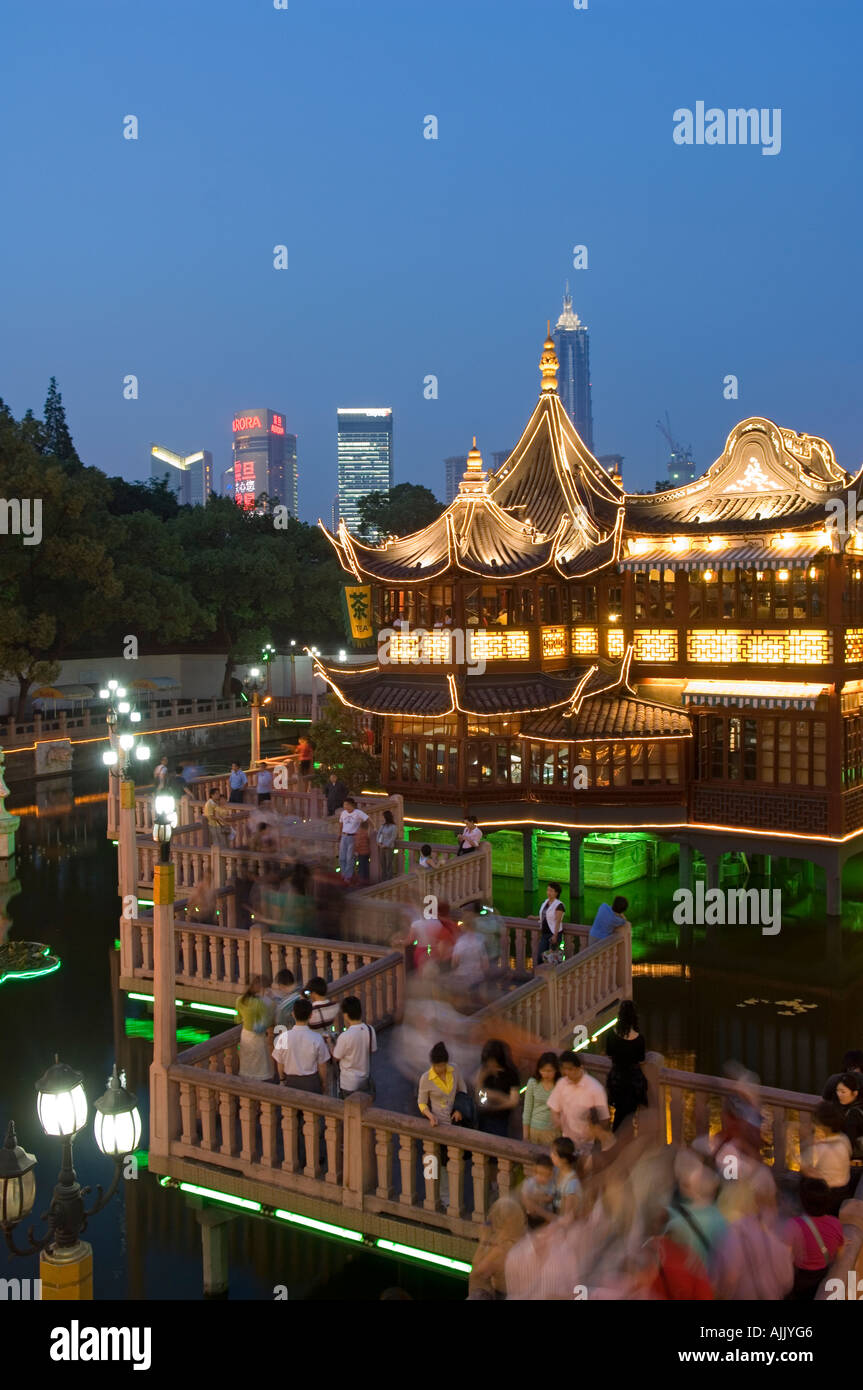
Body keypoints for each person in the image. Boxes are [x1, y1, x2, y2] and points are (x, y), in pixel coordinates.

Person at [784, 1176, 845, 1301]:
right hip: (823, 1273)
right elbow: (840, 1251)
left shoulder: (793, 1224)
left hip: (800, 1278)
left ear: (803, 1201)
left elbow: (786, 1257)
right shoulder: (836, 1223)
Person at [547, 1052, 610, 1155]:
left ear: (580, 1067)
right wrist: (557, 1120)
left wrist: (593, 1132)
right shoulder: (562, 1084)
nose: (567, 1072)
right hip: (566, 1141)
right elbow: (554, 1107)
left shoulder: (595, 1088)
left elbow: (604, 1119)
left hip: (588, 1144)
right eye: (564, 1069)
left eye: (570, 1069)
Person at [467, 1198, 527, 1300]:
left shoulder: (501, 1250)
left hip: (505, 1295)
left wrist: (483, 1241)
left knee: (478, 1291)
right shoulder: (529, 1239)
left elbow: (475, 1274)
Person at [605, 1000, 648, 1132]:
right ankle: (623, 1141)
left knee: (619, 1112)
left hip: (617, 1080)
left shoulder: (611, 1035)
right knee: (629, 1115)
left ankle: (618, 1140)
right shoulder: (639, 1039)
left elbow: (609, 1055)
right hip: (632, 1083)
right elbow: (641, 1061)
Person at [801, 1102, 852, 1212]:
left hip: (825, 1193)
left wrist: (805, 1143)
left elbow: (804, 1169)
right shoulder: (844, 1139)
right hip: (843, 1190)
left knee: (803, 1180)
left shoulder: (818, 1148)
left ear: (823, 1127)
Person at [272, 996, 331, 1091]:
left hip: (290, 1081)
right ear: (311, 1015)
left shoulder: (283, 1037)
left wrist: (282, 1079)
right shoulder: (317, 1038)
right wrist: (324, 1083)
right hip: (311, 1082)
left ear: (293, 1014)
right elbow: (322, 1065)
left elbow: (279, 1062)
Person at [332, 996, 377, 1098]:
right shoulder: (370, 1030)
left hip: (348, 1084)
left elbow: (336, 1057)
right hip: (365, 1080)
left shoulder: (345, 1036)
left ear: (346, 1015)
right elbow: (372, 1050)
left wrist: (331, 1045)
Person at [476, 1039, 521, 1139]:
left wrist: (497, 1098)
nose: (490, 1065)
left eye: (493, 1061)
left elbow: (513, 1101)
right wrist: (480, 1081)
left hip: (501, 1120)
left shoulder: (511, 1074)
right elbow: (481, 1099)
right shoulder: (484, 1072)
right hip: (484, 1118)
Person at [418, 1042, 468, 1125]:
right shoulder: (426, 1078)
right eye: (438, 1066)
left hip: (456, 1120)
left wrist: (459, 1109)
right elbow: (422, 1103)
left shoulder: (454, 1069)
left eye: (443, 1065)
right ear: (432, 1064)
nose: (441, 1068)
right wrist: (430, 1116)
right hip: (439, 1121)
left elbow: (463, 1089)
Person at [236, 976, 275, 1080]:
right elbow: (266, 1022)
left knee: (247, 1062)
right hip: (257, 1037)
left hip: (245, 1035)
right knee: (259, 1065)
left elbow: (237, 1019)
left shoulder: (239, 1000)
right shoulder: (260, 1003)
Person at [522, 1052, 562, 1145]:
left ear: (556, 1070)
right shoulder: (533, 1083)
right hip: (534, 1129)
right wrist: (525, 1135)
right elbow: (527, 1110)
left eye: (549, 1071)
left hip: (553, 1131)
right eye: (543, 1070)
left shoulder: (560, 1084)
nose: (546, 1074)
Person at [450, 911, 490, 994]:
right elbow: (486, 964)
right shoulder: (480, 939)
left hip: (463, 976)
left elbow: (454, 963)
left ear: (464, 926)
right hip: (478, 976)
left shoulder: (461, 942)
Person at [518, 1155, 557, 1226]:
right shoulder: (529, 1183)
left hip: (547, 1216)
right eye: (540, 1174)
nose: (543, 1178)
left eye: (546, 1175)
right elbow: (524, 1199)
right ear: (534, 1172)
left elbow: (549, 1198)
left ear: (551, 1174)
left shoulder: (551, 1184)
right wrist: (541, 1197)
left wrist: (531, 1197)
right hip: (532, 1216)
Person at [338, 797, 368, 885]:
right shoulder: (343, 813)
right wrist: (339, 834)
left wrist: (373, 828)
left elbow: (368, 819)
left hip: (353, 837)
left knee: (349, 858)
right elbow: (341, 823)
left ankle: (348, 876)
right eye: (344, 804)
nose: (345, 806)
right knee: (342, 857)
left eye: (346, 804)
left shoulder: (358, 813)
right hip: (344, 836)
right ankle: (343, 874)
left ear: (351, 805)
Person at [550, 1137, 582, 1217]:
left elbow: (566, 1218)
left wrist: (539, 1211)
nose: (551, 1155)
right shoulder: (556, 1170)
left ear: (564, 1159)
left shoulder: (572, 1184)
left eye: (554, 1154)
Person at [833, 1073, 863, 1157]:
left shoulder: (853, 1114)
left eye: (843, 1092)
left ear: (855, 1093)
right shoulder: (857, 1107)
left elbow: (849, 1143)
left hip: (855, 1162)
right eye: (837, 1091)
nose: (839, 1094)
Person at [537, 881, 565, 961]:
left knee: (552, 958)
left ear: (556, 893)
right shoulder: (546, 902)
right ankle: (541, 973)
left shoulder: (559, 905)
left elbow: (558, 921)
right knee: (540, 956)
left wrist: (555, 935)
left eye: (551, 891)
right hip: (545, 934)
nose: (548, 893)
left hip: (553, 934)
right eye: (548, 890)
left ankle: (554, 973)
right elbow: (545, 915)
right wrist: (535, 918)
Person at [376, 809, 398, 880]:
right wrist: (378, 842)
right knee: (383, 863)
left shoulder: (393, 827)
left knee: (389, 863)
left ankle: (389, 878)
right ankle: (383, 877)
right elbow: (379, 834)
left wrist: (386, 845)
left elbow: (393, 837)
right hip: (381, 846)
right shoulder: (383, 826)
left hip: (389, 847)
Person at [354, 816, 371, 884]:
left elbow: (357, 843)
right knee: (366, 866)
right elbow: (368, 841)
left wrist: (355, 850)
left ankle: (361, 880)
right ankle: (367, 880)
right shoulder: (367, 833)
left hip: (361, 852)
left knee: (361, 867)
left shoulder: (358, 833)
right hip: (367, 852)